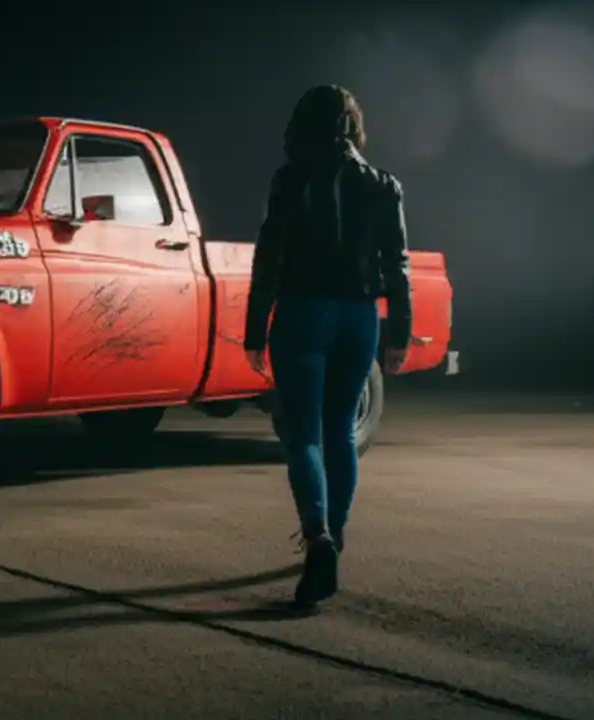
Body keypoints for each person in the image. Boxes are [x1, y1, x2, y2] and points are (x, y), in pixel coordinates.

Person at [242, 85, 413, 609]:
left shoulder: (290, 181)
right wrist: (398, 334)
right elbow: (396, 267)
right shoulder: (384, 185)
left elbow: (268, 258)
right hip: (358, 317)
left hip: (302, 313)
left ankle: (316, 538)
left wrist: (254, 331)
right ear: (354, 126)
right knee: (339, 430)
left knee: (302, 437)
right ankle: (334, 538)